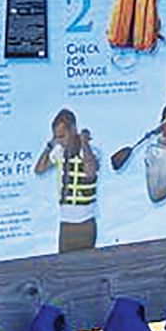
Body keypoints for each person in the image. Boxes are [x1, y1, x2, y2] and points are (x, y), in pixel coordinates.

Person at [35, 108, 98, 253]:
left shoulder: (92, 151)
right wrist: (50, 146)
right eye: (57, 137)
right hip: (66, 222)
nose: (60, 141)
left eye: (62, 136)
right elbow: (39, 169)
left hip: (86, 222)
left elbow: (90, 172)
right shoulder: (59, 151)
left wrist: (84, 143)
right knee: (65, 262)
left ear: (73, 129)